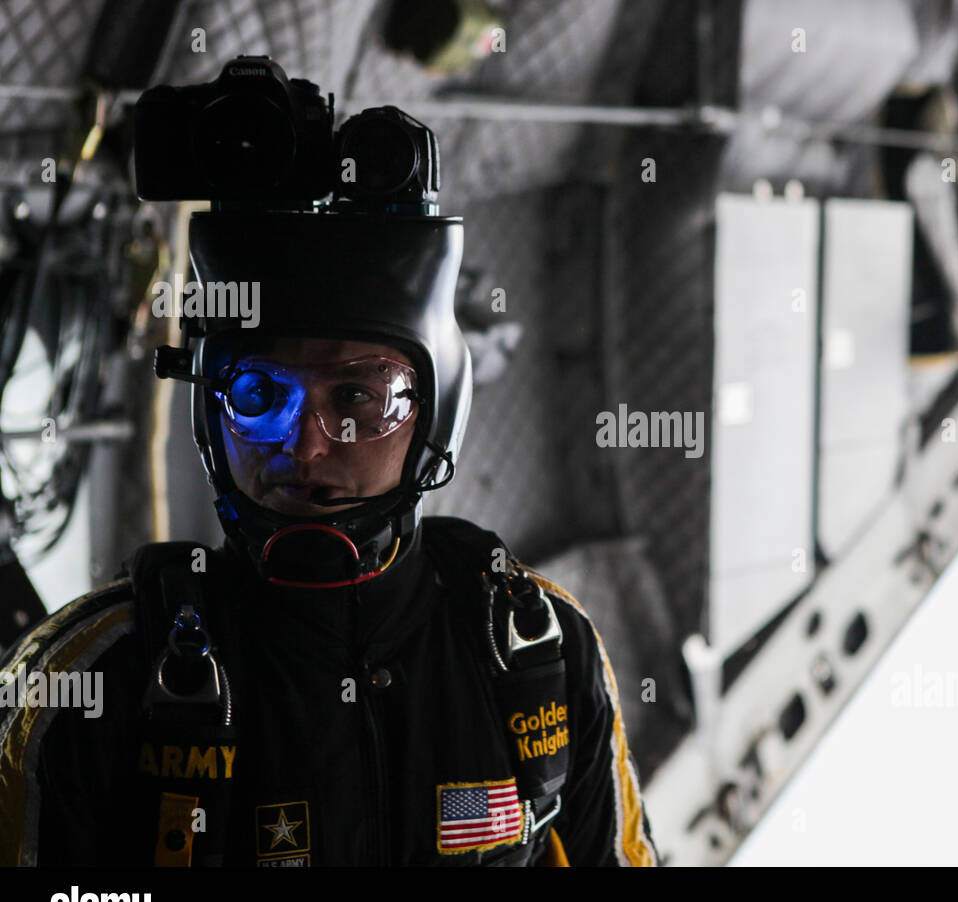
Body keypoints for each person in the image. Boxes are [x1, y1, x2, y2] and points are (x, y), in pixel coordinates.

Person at [0, 198, 659, 867]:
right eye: (258, 395)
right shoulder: (89, 676)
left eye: (355, 398)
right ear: (209, 415)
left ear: (437, 411)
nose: (305, 445)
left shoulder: (538, 649)